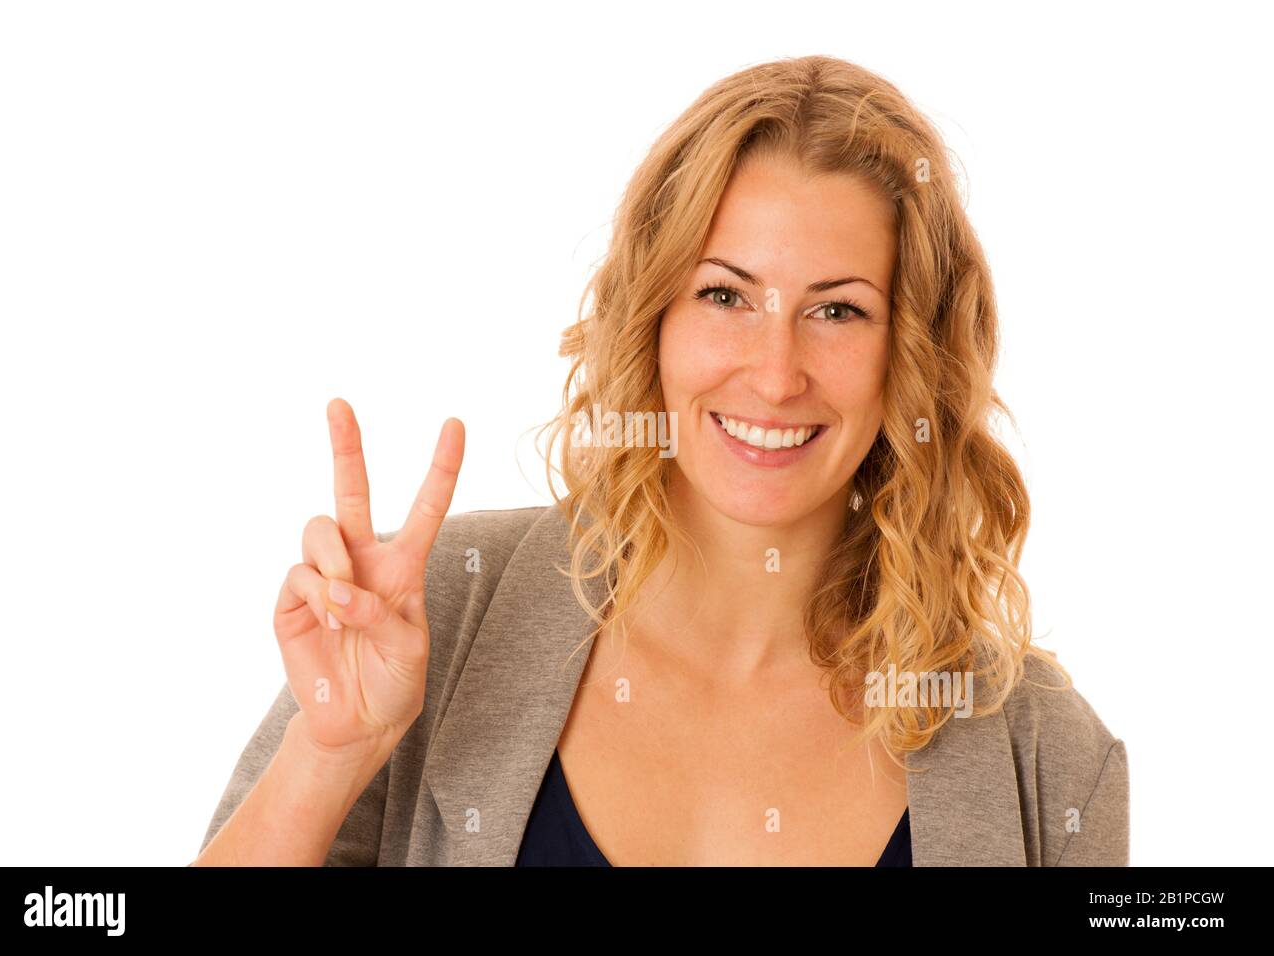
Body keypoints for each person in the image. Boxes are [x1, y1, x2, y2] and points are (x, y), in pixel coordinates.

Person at [193, 54, 1128, 867]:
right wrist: (330, 756)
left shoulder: (1046, 754)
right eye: (726, 295)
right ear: (653, 320)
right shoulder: (438, 613)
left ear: (912, 355)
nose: (774, 374)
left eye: (837, 309)